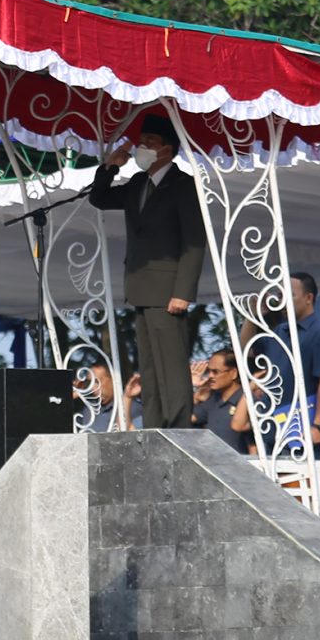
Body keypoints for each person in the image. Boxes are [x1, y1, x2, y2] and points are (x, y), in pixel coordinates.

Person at [88, 114, 206, 430]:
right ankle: (155, 426)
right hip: (140, 285)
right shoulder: (138, 184)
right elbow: (99, 198)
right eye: (142, 143)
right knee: (150, 367)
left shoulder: (183, 186)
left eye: (150, 143)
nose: (143, 148)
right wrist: (110, 166)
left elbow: (194, 242)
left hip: (168, 289)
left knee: (171, 364)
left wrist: (183, 291)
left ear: (168, 149)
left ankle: (179, 426)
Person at [261, 272, 320, 455]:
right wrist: (254, 315)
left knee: (302, 481)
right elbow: (247, 349)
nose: (283, 301)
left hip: (303, 429)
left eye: (290, 294)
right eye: (280, 295)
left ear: (308, 298)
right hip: (273, 426)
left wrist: (319, 426)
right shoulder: (278, 332)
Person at [189, 350, 248, 450]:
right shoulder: (213, 398)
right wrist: (193, 391)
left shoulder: (247, 399)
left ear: (233, 373)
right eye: (208, 371)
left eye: (215, 372)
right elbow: (187, 418)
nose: (210, 376)